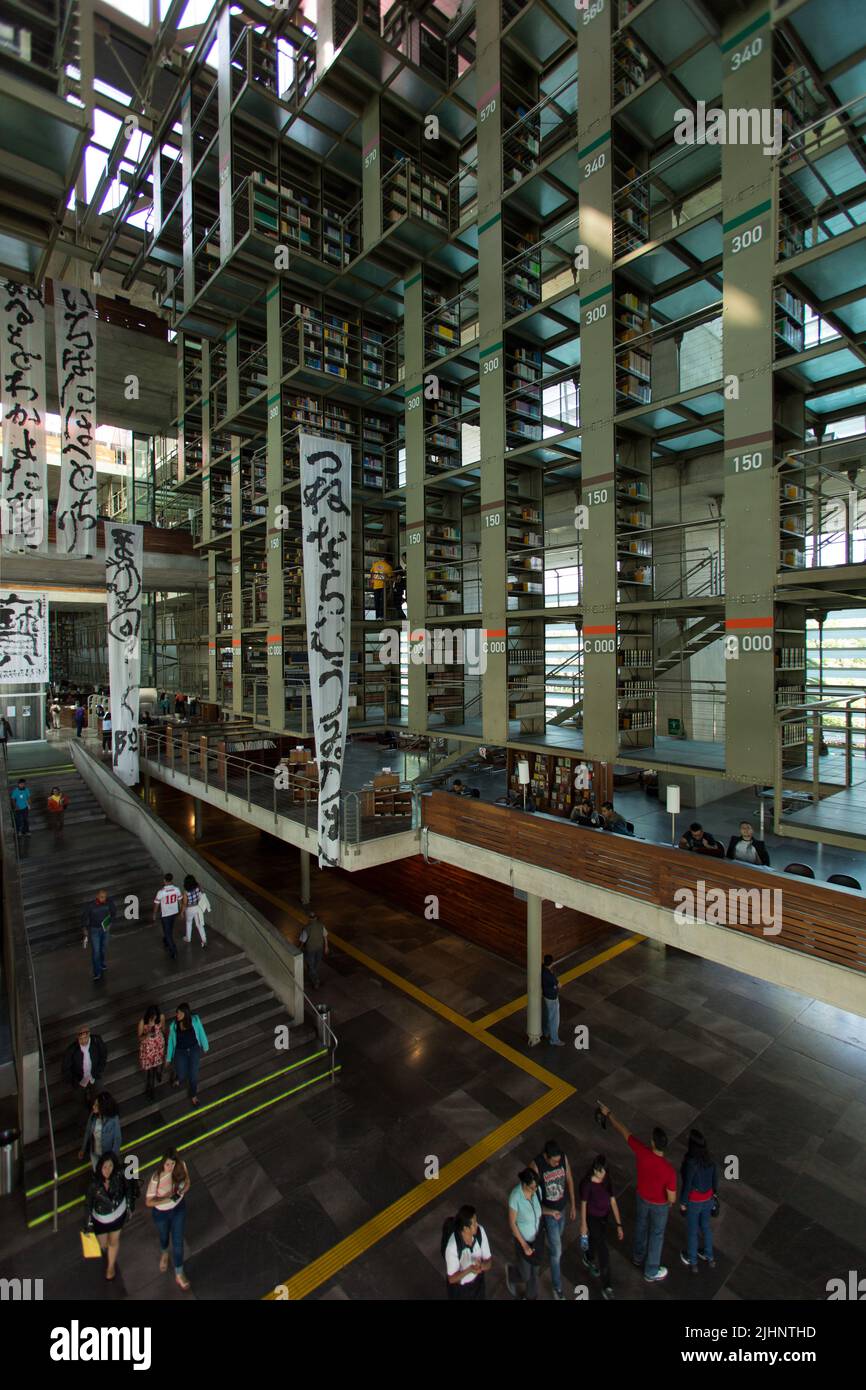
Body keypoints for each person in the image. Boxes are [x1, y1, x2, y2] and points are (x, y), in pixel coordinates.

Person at [597, 1102, 676, 1283]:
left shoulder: (642, 1152)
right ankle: (651, 1271)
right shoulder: (669, 1171)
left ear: (653, 1142)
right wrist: (668, 1203)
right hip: (659, 1205)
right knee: (656, 1235)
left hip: (642, 1198)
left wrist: (609, 1114)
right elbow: (671, 1197)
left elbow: (623, 1131)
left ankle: (637, 1257)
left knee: (640, 1225)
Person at [530, 1138, 576, 1300]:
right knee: (557, 1251)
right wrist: (549, 1212)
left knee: (556, 1243)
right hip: (549, 1214)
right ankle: (557, 1288)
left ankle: (550, 1245)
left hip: (562, 1210)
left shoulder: (563, 1158)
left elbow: (569, 1179)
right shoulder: (536, 1166)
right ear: (546, 1157)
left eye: (559, 1161)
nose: (558, 1164)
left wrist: (573, 1204)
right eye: (554, 1162)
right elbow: (531, 1199)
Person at [83, 1151, 139, 1282]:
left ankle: (110, 1267)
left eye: (110, 1166)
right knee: (103, 1244)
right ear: (100, 1168)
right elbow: (88, 1204)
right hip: (101, 1220)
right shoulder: (94, 1184)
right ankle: (107, 1252)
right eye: (105, 1167)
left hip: (117, 1216)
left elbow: (128, 1189)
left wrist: (130, 1206)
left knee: (114, 1241)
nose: (108, 1170)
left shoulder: (119, 1177)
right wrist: (87, 1224)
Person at [145, 1147, 192, 1290]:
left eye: (172, 1164)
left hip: (178, 1209)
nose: (170, 1167)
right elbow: (148, 1202)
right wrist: (165, 1200)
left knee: (178, 1240)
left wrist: (183, 1190)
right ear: (162, 1164)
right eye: (167, 1164)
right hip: (161, 1213)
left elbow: (188, 1182)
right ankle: (164, 1252)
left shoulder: (181, 1167)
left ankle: (179, 1272)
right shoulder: (156, 1178)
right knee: (164, 1235)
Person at [579, 1154, 624, 1300]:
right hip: (592, 1218)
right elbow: (584, 1204)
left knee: (594, 1239)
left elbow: (613, 1202)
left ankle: (588, 1257)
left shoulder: (607, 1181)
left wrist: (619, 1224)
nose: (600, 1175)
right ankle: (607, 1286)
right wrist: (584, 1224)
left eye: (602, 1172)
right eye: (598, 1171)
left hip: (604, 1217)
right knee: (603, 1250)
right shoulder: (588, 1184)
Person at [679, 1128, 718, 1274]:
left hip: (694, 1201)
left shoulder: (691, 1162)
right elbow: (715, 1181)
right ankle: (709, 1256)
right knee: (706, 1226)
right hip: (708, 1199)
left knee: (693, 1230)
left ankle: (693, 1260)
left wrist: (683, 1203)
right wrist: (714, 1197)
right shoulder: (710, 1159)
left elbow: (687, 1184)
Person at [506, 1168, 543, 1301]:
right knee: (526, 1274)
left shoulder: (536, 1191)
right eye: (532, 1187)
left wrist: (550, 1212)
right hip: (523, 1241)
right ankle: (512, 1274)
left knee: (535, 1272)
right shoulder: (515, 1197)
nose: (534, 1190)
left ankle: (531, 1296)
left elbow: (539, 1210)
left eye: (536, 1186)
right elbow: (512, 1223)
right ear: (524, 1184)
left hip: (537, 1239)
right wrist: (524, 1245)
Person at [442, 1204, 492, 1300]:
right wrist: (469, 1270)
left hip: (478, 1284)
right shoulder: (452, 1247)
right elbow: (452, 1279)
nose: (477, 1225)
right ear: (465, 1228)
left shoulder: (480, 1232)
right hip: (461, 1290)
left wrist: (482, 1266)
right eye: (473, 1224)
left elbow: (489, 1261)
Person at [167, 1003, 209, 1107]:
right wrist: (168, 1058)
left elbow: (201, 1032)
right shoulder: (174, 1025)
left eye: (180, 1013)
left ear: (185, 1013)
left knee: (193, 1075)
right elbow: (171, 1043)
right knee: (181, 1074)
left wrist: (205, 1045)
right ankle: (178, 1077)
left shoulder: (195, 1020)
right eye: (177, 1013)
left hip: (194, 1049)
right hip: (180, 1052)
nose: (177, 1015)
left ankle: (194, 1096)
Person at [61, 1026, 108, 1107]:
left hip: (94, 1076)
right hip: (80, 1080)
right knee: (79, 1100)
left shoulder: (97, 1041)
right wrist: (73, 1081)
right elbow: (66, 1067)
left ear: (89, 1035)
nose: (83, 1041)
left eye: (85, 1038)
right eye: (80, 1039)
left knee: (98, 1095)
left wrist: (99, 1070)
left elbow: (103, 1054)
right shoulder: (72, 1049)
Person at [79, 1092, 122, 1171]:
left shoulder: (113, 1120)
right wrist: (83, 1149)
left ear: (103, 1107)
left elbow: (117, 1139)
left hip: (107, 1155)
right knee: (98, 1173)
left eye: (96, 1105)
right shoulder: (93, 1116)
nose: (93, 1106)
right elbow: (88, 1132)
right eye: (94, 1104)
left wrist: (112, 1159)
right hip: (94, 1152)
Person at [82, 888, 116, 982]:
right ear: (97, 896)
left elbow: (113, 913)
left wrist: (110, 923)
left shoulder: (109, 902)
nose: (103, 899)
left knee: (103, 948)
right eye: (101, 897)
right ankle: (97, 972)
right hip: (94, 931)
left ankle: (102, 963)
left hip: (105, 929)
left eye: (105, 897)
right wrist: (84, 929)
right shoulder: (90, 906)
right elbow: (84, 917)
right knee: (96, 951)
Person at [138, 1004, 167, 1102]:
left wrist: (165, 1038)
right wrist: (147, 1034)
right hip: (148, 1048)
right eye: (152, 1018)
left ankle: (152, 1086)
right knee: (149, 1069)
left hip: (158, 1046)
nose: (153, 1020)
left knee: (155, 1066)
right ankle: (150, 1086)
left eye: (155, 1018)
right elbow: (139, 1037)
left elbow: (163, 1029)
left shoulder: (161, 1017)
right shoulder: (143, 1022)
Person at [153, 872, 182, 961]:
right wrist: (181, 911)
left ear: (164, 880)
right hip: (174, 912)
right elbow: (180, 901)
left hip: (165, 914)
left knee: (168, 932)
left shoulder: (161, 892)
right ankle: (166, 941)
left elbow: (156, 904)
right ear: (171, 880)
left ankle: (173, 950)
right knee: (169, 929)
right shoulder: (177, 889)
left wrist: (154, 914)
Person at [541, 954, 564, 1046]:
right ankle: (554, 1039)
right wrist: (555, 985)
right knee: (554, 1019)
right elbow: (560, 985)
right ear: (552, 963)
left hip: (545, 996)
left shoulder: (542, 969)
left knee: (546, 1015)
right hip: (552, 998)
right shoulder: (549, 975)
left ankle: (545, 1032)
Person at [301, 912, 328, 990]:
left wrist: (300, 948)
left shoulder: (306, 928)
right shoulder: (321, 926)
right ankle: (316, 980)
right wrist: (326, 947)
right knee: (316, 964)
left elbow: (303, 940)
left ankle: (315, 980)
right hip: (319, 948)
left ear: (309, 918)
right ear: (316, 918)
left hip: (311, 949)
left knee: (311, 965)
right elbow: (325, 936)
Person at [182, 874, 210, 947]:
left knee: (189, 922)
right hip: (197, 908)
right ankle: (204, 940)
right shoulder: (198, 887)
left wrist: (181, 912)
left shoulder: (185, 892)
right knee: (199, 924)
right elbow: (202, 893)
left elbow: (184, 904)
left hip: (190, 909)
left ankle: (188, 938)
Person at [370, 555, 393, 619]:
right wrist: (391, 589)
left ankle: (377, 616)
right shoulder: (388, 567)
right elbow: (390, 578)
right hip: (384, 586)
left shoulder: (375, 564)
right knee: (383, 602)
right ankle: (382, 616)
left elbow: (372, 574)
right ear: (389, 561)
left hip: (376, 586)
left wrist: (372, 583)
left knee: (377, 602)